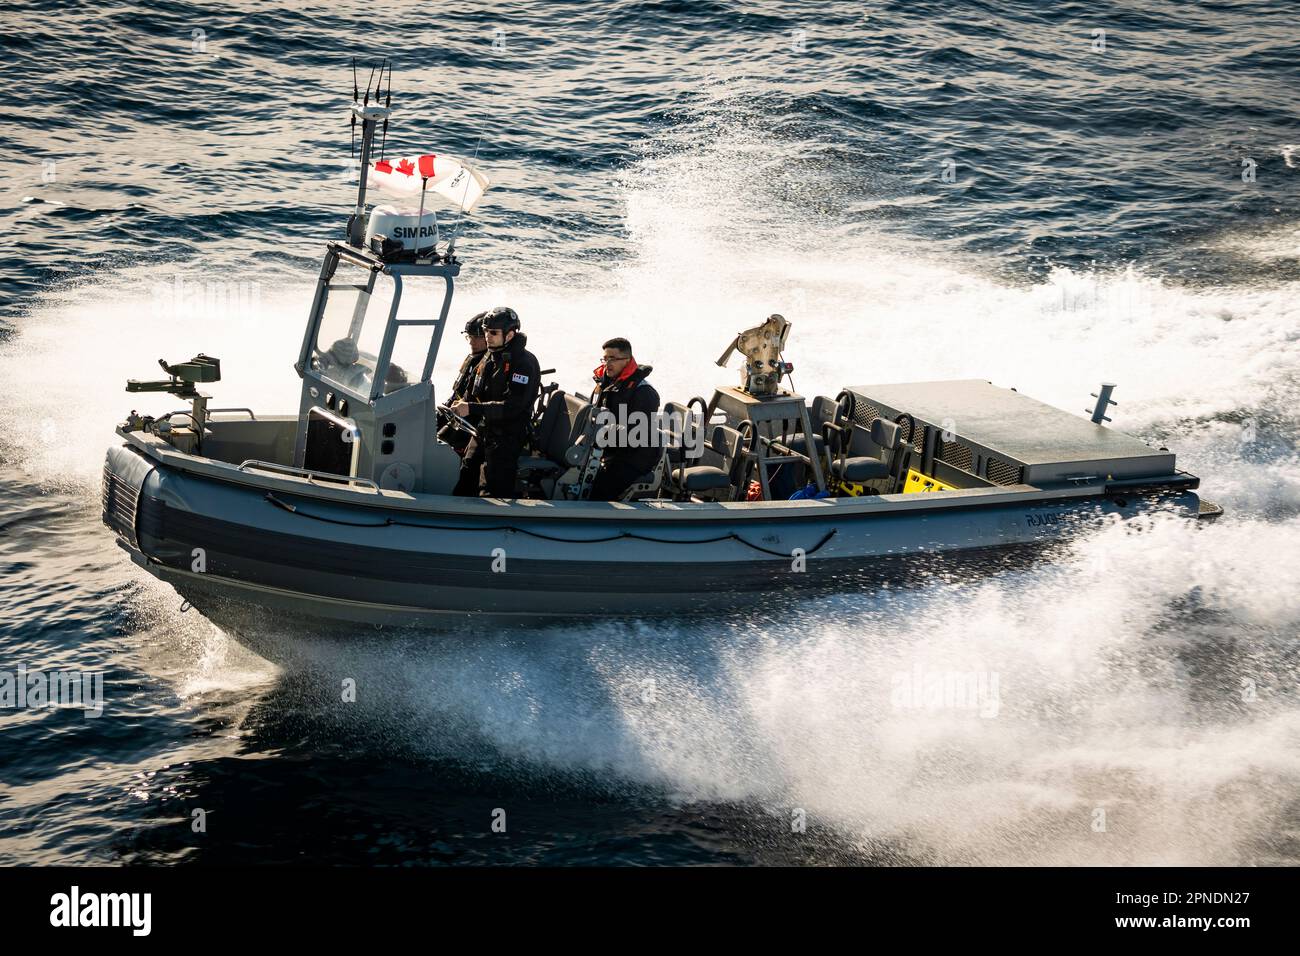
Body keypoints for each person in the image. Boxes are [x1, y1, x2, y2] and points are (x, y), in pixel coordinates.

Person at [450, 307, 541, 497]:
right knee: (464, 477)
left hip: (507, 437)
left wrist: (471, 408)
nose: (487, 337)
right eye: (485, 332)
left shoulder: (524, 363)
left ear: (509, 335)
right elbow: (475, 392)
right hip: (484, 430)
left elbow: (512, 407)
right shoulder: (490, 357)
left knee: (492, 491)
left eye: (493, 332)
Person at [587, 337, 661, 501]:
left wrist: (604, 436)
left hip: (636, 456)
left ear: (627, 360)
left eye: (613, 358)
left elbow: (637, 435)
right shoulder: (606, 383)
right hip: (611, 449)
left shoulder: (644, 393)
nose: (607, 364)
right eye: (605, 358)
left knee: (598, 489)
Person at [438, 313, 488, 454]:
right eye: (469, 337)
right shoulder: (472, 360)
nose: (471, 342)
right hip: (456, 415)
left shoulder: (491, 365)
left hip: (471, 423)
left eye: (475, 337)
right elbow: (458, 393)